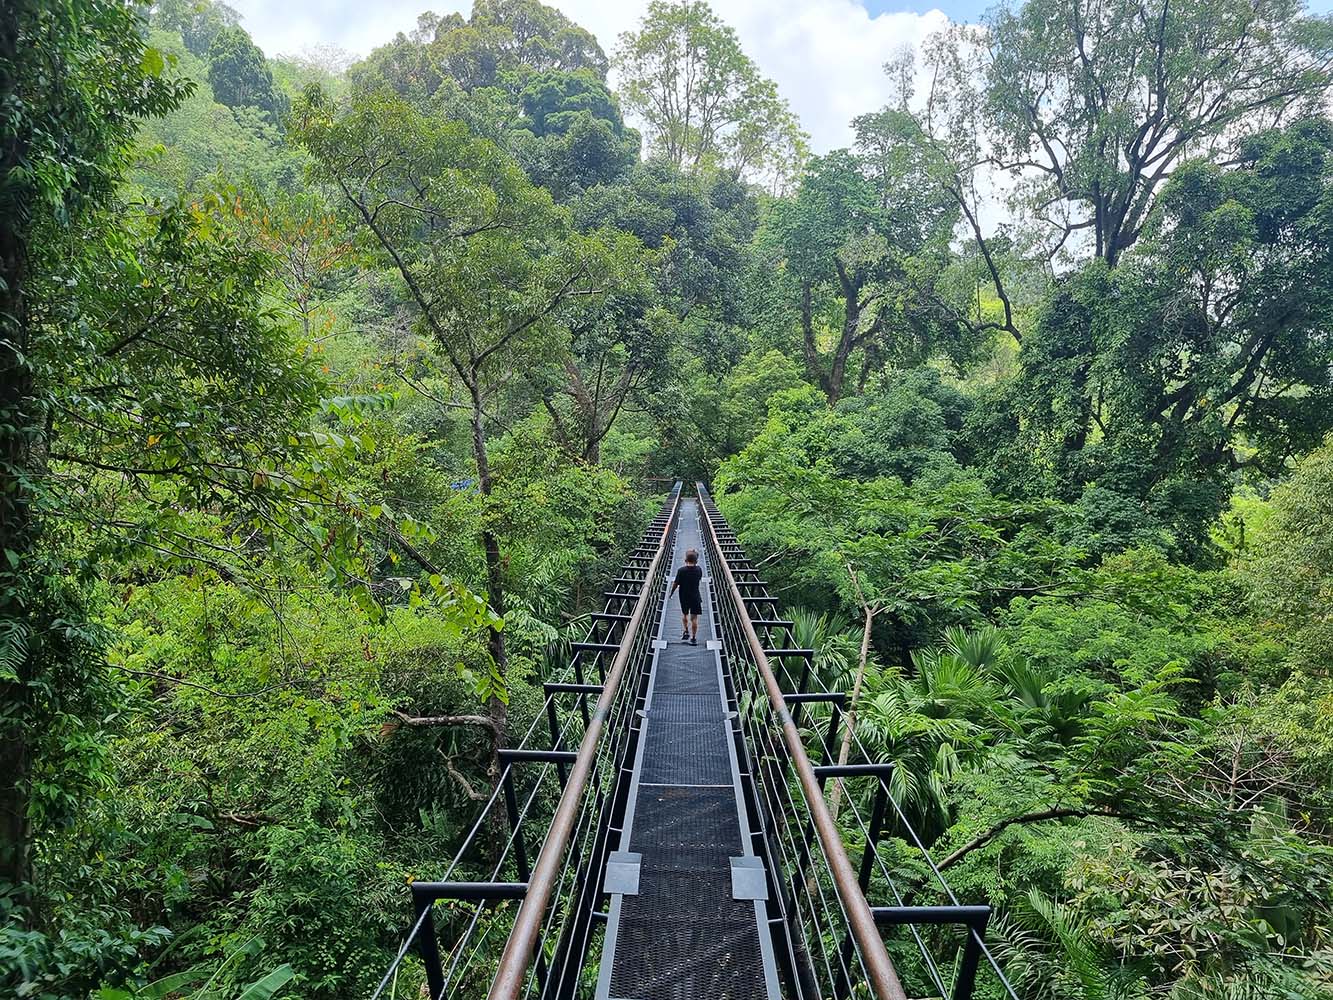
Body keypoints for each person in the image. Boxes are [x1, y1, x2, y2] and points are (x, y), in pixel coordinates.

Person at [668, 549, 703, 644]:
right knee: (694, 618)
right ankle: (693, 638)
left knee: (684, 614)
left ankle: (686, 630)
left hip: (684, 596)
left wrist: (671, 593)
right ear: (696, 561)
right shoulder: (699, 569)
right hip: (695, 596)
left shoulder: (681, 571)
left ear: (685, 560)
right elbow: (699, 578)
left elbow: (676, 583)